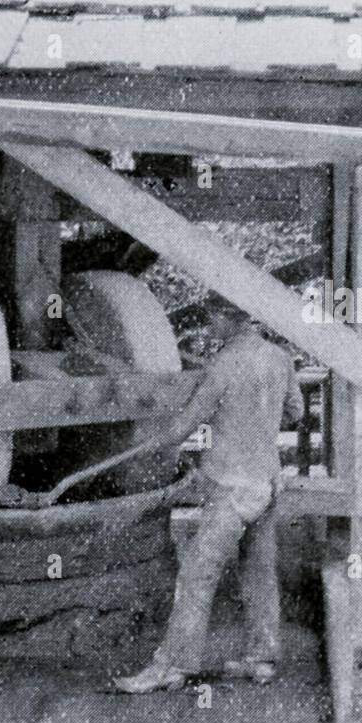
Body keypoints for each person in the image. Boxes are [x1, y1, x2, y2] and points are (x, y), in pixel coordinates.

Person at [113, 295, 304, 694]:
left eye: (212, 320)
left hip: (232, 488)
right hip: (267, 484)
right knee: (258, 570)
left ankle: (171, 666)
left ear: (227, 319)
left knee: (197, 575)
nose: (209, 328)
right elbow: (295, 413)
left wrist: (149, 444)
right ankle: (262, 657)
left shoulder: (223, 366)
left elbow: (184, 426)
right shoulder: (279, 358)